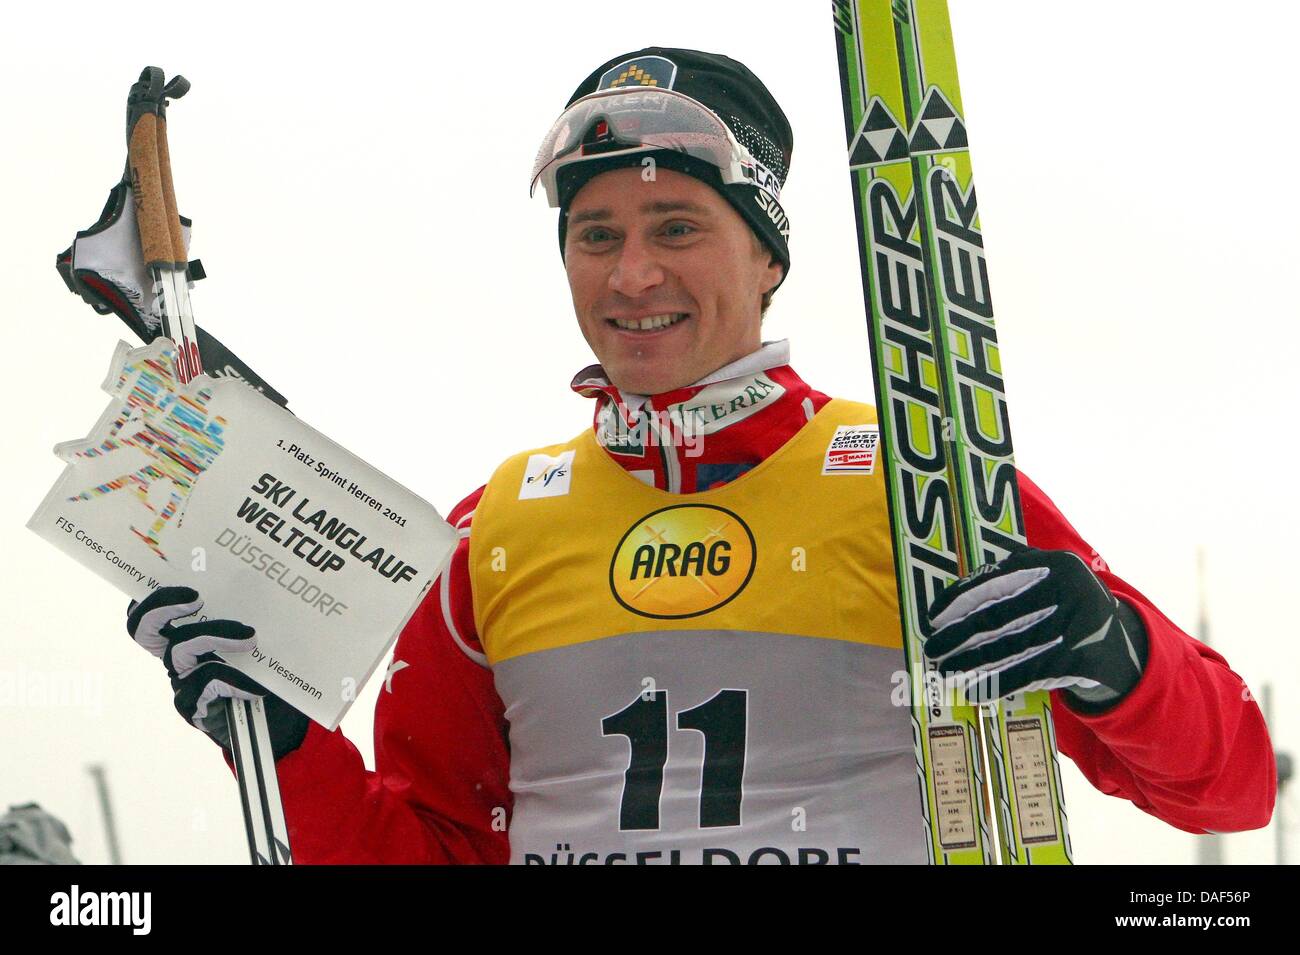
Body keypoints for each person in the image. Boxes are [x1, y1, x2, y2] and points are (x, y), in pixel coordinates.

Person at [127, 47, 1276, 864]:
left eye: (678, 227)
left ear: (769, 257)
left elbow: (1225, 780)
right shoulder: (494, 529)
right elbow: (431, 854)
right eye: (596, 236)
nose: (632, 277)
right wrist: (280, 742)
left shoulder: (922, 484)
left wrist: (1114, 655)